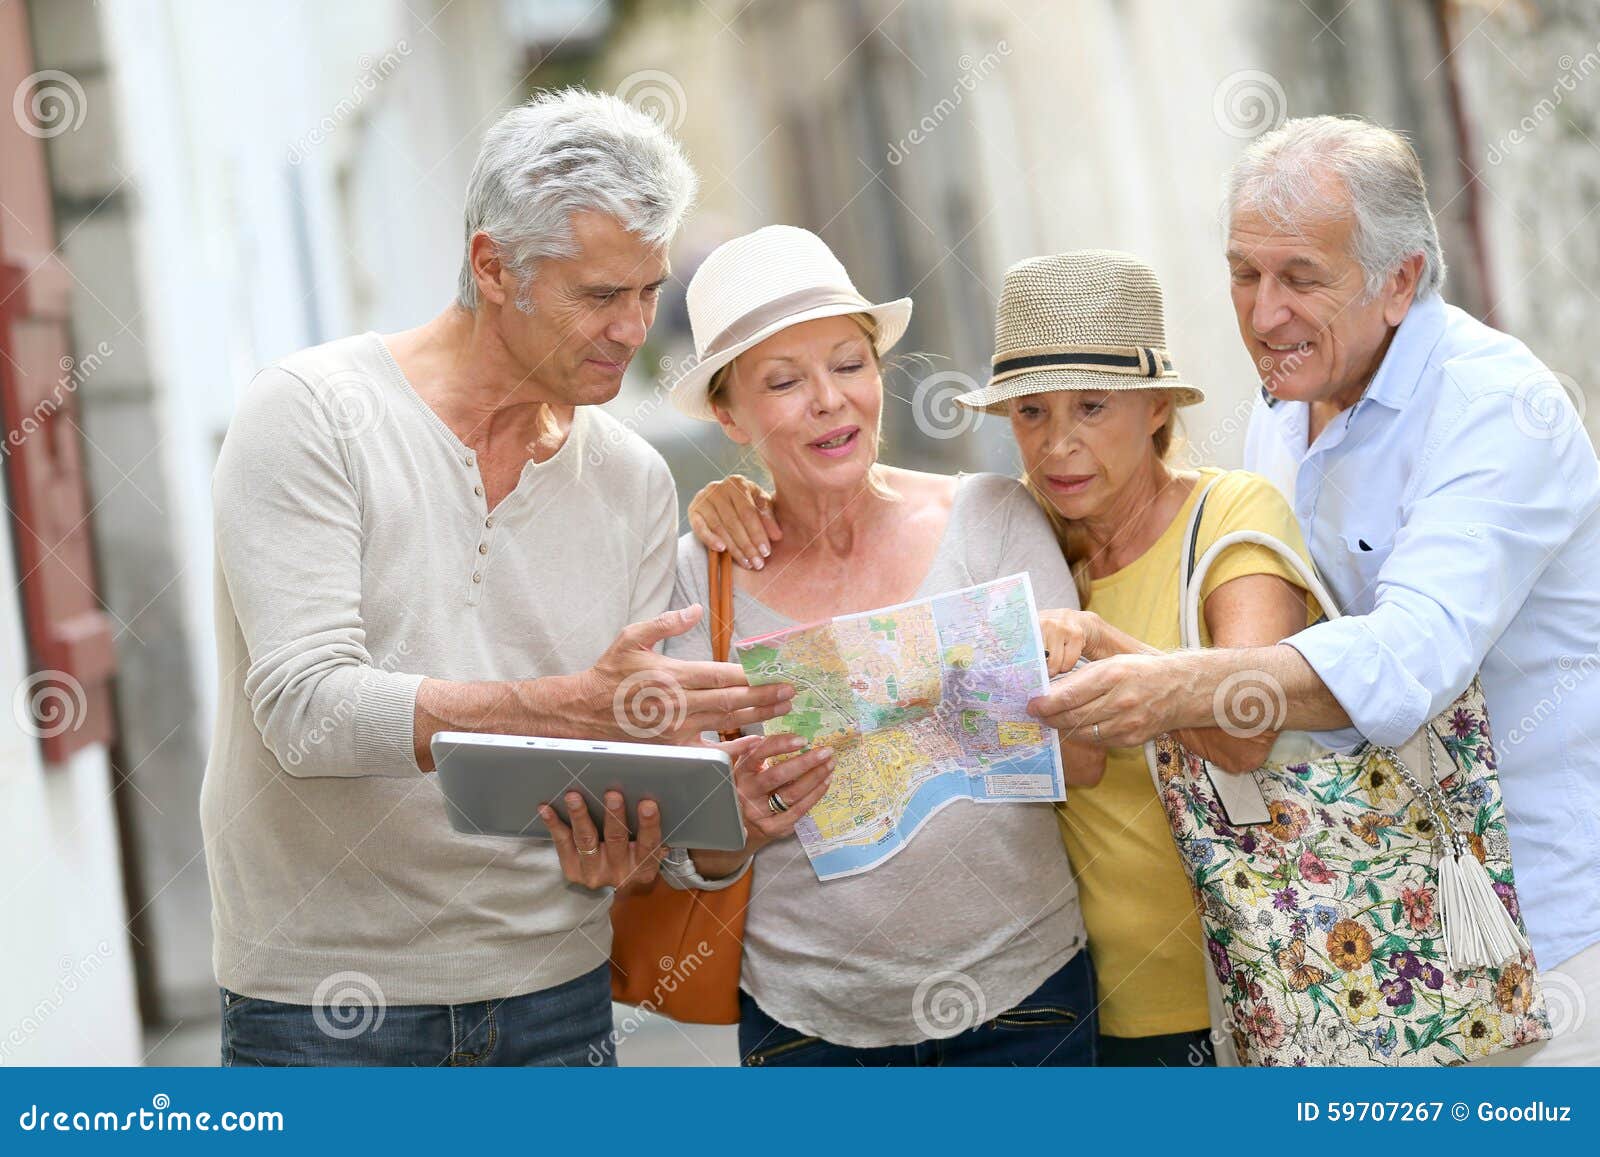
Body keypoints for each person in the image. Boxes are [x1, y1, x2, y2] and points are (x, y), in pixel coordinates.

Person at [201, 88, 795, 1068]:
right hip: (322, 1003)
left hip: (551, 995)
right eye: (600, 296)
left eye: (648, 292)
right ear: (493, 266)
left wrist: (658, 832)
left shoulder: (632, 478)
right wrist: (571, 708)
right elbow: (305, 713)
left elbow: (647, 763)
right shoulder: (308, 414)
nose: (632, 328)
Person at [1032, 116, 1600, 1065]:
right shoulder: (1287, 403)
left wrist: (1172, 686)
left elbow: (1411, 654)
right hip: (1384, 929)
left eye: (1300, 277)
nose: (1261, 314)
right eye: (1243, 273)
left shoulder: (1497, 408)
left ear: (1401, 280)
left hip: (1543, 926)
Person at [687, 247, 1320, 1065]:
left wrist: (1094, 642)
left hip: (1231, 972)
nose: (1058, 447)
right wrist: (725, 494)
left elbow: (1239, 731)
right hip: (1089, 994)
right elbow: (688, 838)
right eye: (1031, 415)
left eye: (1092, 407)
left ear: (1158, 405)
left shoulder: (1219, 514)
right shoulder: (1037, 526)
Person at [661, 224, 1098, 1067]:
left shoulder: (992, 515)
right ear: (728, 413)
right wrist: (743, 818)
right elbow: (693, 854)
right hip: (808, 1028)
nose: (829, 399)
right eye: (784, 381)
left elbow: (1083, 764)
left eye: (849, 365)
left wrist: (1045, 681)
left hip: (1025, 1002)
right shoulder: (698, 578)